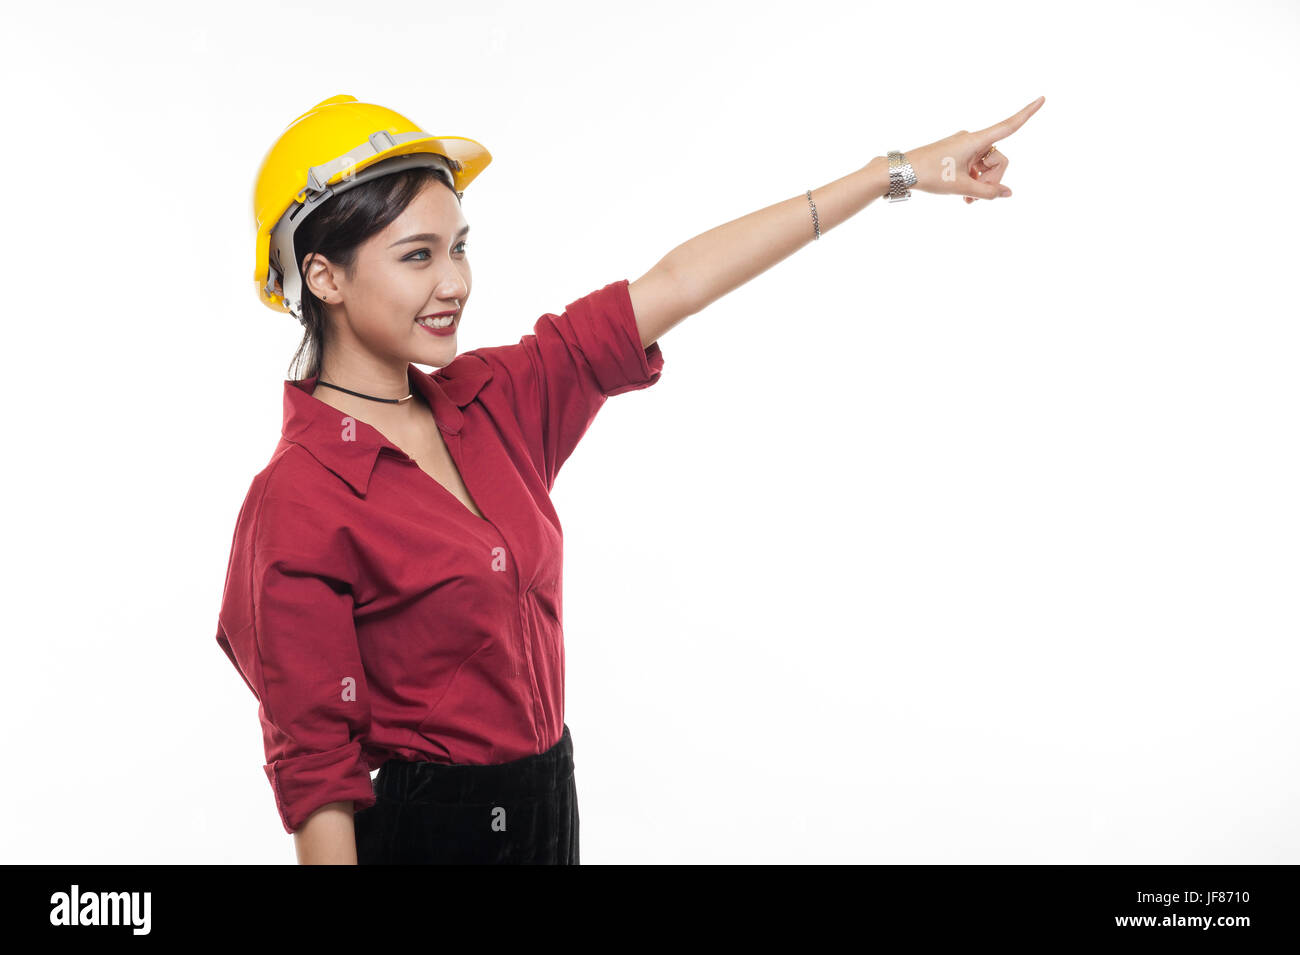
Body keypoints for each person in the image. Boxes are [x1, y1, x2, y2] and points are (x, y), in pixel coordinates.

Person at [214, 92, 1045, 865]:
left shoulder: (498, 400)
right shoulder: (297, 501)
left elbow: (676, 283)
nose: (455, 282)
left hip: (547, 808)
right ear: (324, 276)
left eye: (461, 247)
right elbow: (318, 776)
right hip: (426, 834)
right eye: (418, 255)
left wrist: (894, 173)